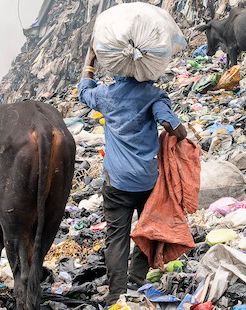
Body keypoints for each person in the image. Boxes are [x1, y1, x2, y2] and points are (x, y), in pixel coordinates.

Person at [78, 48, 188, 305]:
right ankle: (137, 279)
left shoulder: (106, 95)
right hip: (148, 180)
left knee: (116, 235)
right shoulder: (153, 95)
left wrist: (90, 60)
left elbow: (83, 91)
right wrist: (181, 133)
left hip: (117, 180)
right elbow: (170, 125)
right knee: (148, 228)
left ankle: (117, 291)